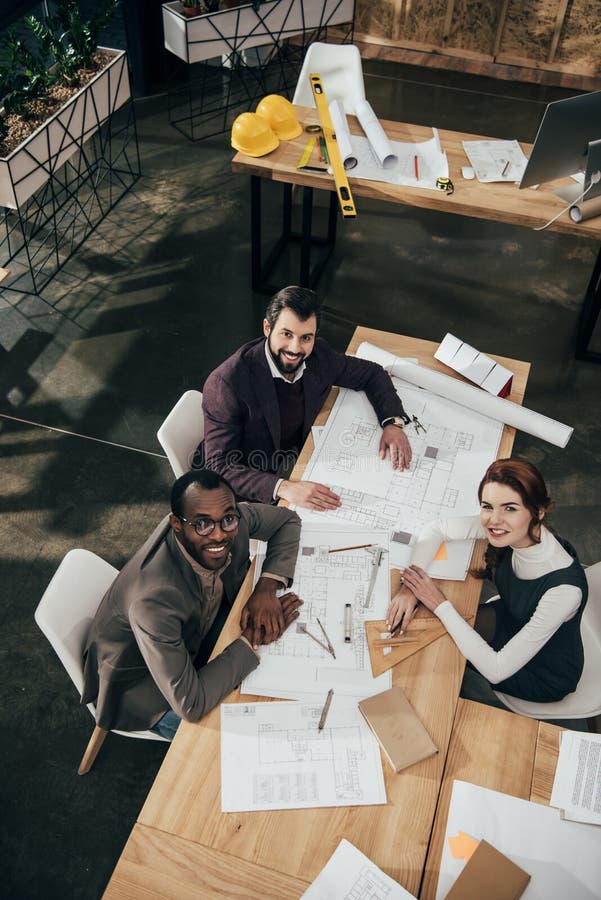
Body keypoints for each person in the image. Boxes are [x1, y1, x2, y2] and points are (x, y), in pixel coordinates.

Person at [81, 470, 303, 740]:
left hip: (192, 634)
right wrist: (249, 641)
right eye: (202, 525)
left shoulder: (229, 521)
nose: (219, 536)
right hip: (145, 690)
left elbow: (287, 521)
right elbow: (191, 705)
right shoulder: (152, 602)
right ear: (176, 524)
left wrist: (266, 588)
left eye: (228, 520)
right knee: (245, 741)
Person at [386, 458, 588, 707]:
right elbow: (437, 528)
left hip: (542, 672)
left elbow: (496, 668)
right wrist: (410, 588)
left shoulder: (564, 590)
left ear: (537, 512)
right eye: (487, 506)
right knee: (424, 628)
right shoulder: (514, 531)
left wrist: (440, 602)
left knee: (434, 651)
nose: (494, 520)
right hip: (513, 620)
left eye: (510, 508)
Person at [201, 285, 413, 510]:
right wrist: (284, 487)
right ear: (267, 328)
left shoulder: (318, 357)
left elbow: (372, 373)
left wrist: (392, 423)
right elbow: (217, 466)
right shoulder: (227, 384)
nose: (295, 348)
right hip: (252, 486)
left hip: (301, 460)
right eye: (286, 334)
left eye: (306, 338)